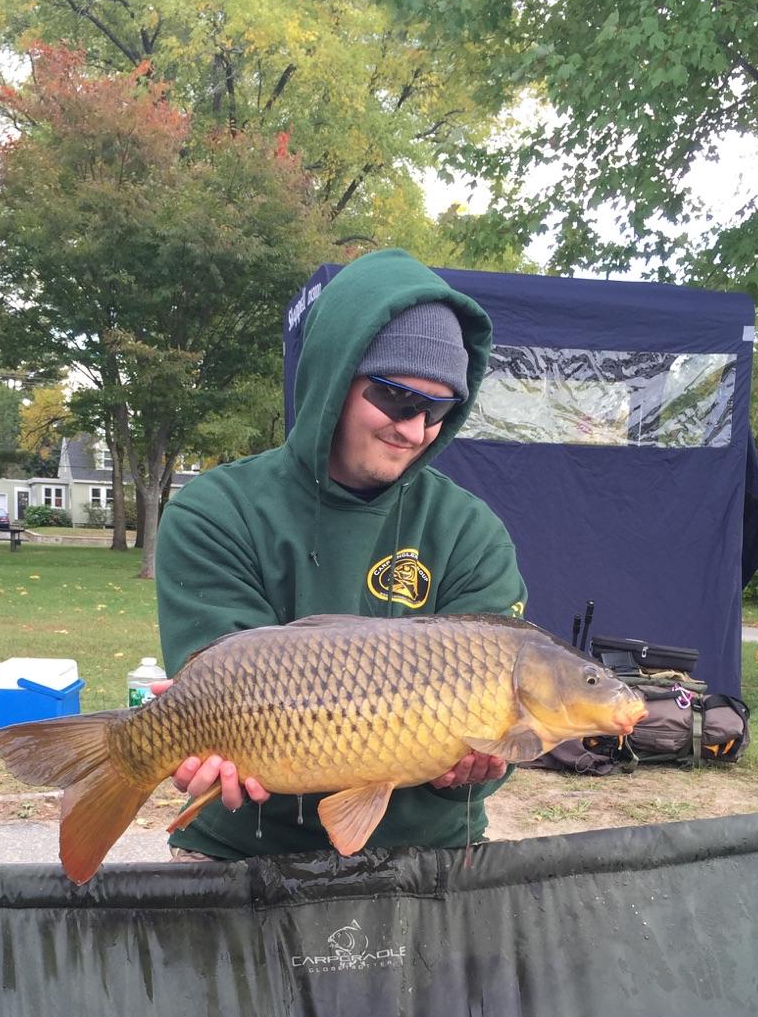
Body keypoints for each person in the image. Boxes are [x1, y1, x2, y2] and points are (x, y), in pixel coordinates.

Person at [153, 246, 528, 861]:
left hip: (428, 855)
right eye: (396, 399)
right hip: (243, 849)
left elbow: (508, 734)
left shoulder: (471, 532)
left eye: (438, 411)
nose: (413, 430)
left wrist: (485, 764)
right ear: (335, 376)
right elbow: (219, 692)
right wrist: (196, 750)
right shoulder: (217, 511)